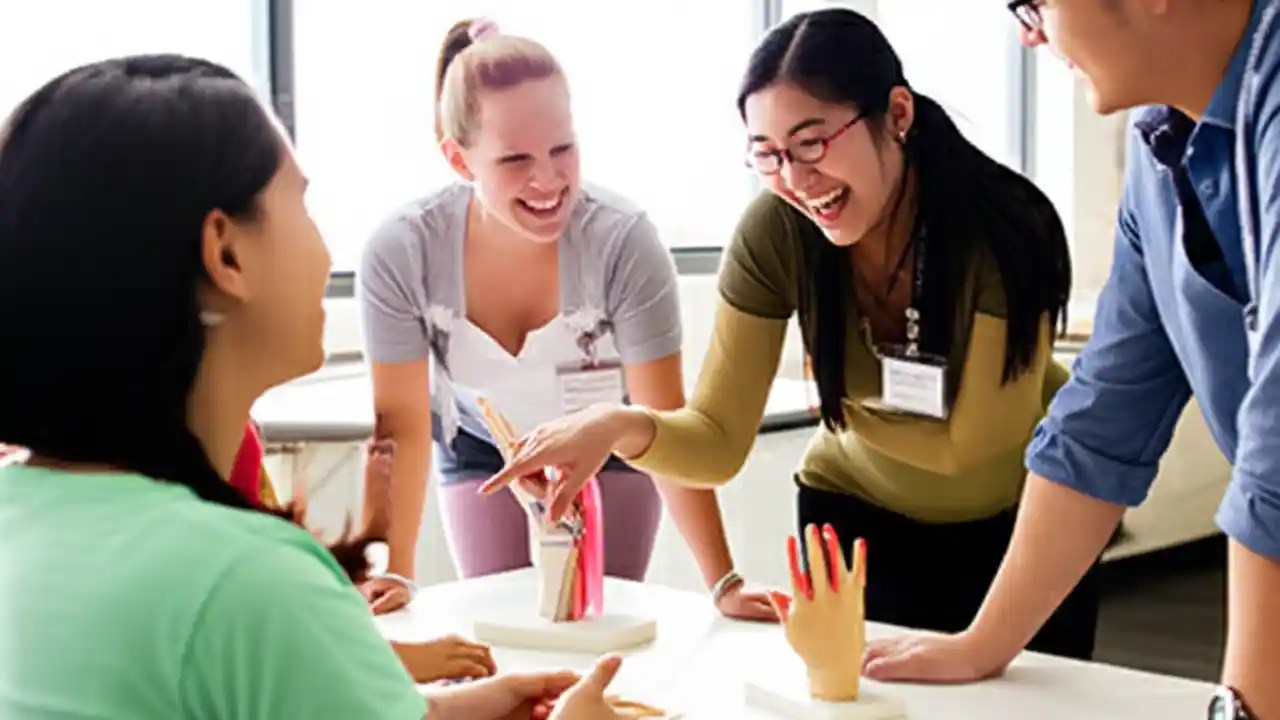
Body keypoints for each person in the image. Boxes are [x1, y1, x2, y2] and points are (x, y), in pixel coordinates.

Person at [0, 53, 625, 719]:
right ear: (227, 253)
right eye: (299, 202)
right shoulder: (250, 582)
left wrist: (437, 711)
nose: (327, 251)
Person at [485, 7, 1093, 659]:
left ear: (896, 113)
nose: (797, 182)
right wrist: (617, 426)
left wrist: (840, 410)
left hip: (1021, 529)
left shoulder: (1001, 228)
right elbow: (718, 443)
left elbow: (969, 450)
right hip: (856, 520)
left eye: (812, 144)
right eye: (768, 155)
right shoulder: (775, 234)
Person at [860, 0, 1280, 716]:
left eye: (1035, 3)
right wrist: (983, 643)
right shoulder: (1161, 153)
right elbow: (1103, 415)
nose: (1029, 34)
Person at [356, 17, 774, 622]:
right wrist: (394, 568)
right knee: (504, 636)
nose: (548, 181)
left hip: (616, 451)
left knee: (595, 631)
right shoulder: (401, 251)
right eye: (515, 159)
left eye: (563, 150)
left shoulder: (624, 242)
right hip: (487, 453)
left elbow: (667, 421)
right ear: (458, 159)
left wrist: (724, 581)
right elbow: (401, 425)